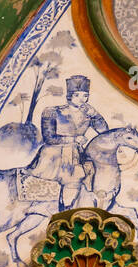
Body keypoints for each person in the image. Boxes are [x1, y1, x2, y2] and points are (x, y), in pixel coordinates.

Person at [25, 75, 107, 204]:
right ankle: (65, 206)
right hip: (54, 154)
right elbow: (49, 138)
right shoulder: (52, 111)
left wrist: (95, 115)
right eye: (77, 95)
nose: (82, 99)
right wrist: (73, 139)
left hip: (77, 154)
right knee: (72, 179)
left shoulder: (88, 114)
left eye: (85, 95)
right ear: (69, 95)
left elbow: (103, 132)